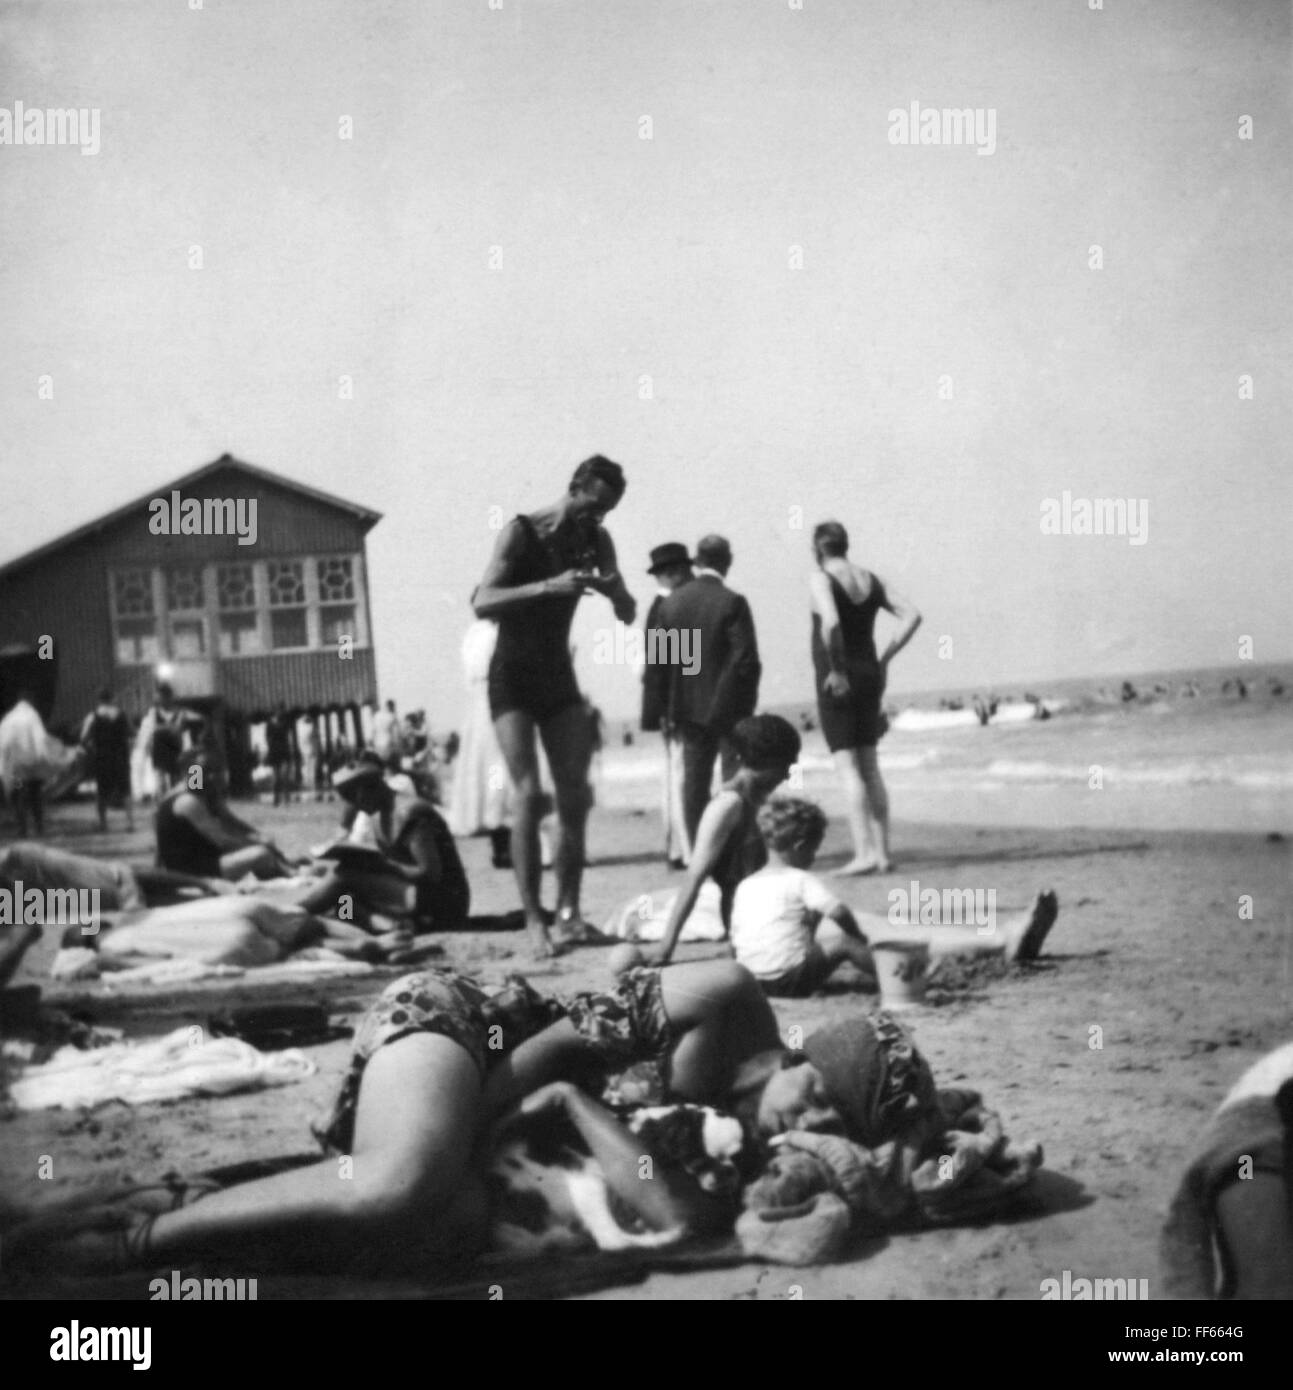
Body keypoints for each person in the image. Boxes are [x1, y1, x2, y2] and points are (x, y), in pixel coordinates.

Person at [8, 955, 952, 1277]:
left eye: (825, 1122)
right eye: (816, 1091)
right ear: (803, 1052)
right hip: (466, 1030)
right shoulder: (726, 997)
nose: (800, 1117)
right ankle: (134, 1246)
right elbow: (553, 1047)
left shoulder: (750, 1137)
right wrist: (464, 1139)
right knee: (405, 1184)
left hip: (484, 1113)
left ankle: (134, 1203)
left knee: (417, 1226)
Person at [472, 455, 636, 955]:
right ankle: (534, 919)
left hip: (557, 674)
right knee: (528, 795)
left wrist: (615, 594)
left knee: (575, 797)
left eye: (607, 511)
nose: (598, 518)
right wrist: (547, 586)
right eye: (594, 506)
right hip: (513, 674)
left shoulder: (596, 539)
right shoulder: (522, 532)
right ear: (575, 487)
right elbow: (482, 601)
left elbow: (628, 611)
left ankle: (570, 913)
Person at [644, 713, 801, 967]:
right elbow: (694, 878)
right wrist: (665, 947)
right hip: (748, 923)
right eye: (785, 766)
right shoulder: (728, 805)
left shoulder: (764, 799)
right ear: (765, 761)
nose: (787, 775)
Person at [809, 520, 921, 876]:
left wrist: (837, 669)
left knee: (848, 768)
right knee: (870, 766)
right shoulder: (869, 578)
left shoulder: (820, 578)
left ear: (818, 548)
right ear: (846, 544)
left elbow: (829, 622)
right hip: (870, 672)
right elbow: (912, 615)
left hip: (838, 678)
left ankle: (864, 854)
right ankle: (883, 854)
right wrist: (885, 657)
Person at [647, 533, 761, 846]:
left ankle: (702, 848)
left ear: (697, 561)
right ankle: (734, 844)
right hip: (730, 709)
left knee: (694, 783)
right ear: (728, 561)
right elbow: (745, 660)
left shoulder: (671, 604)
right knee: (733, 778)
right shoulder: (732, 601)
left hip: (687, 709)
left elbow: (663, 665)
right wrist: (742, 704)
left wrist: (668, 709)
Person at [304, 754, 470, 933]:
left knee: (344, 877)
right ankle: (373, 925)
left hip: (444, 903)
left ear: (367, 787)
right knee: (344, 899)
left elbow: (430, 873)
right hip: (417, 896)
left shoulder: (411, 811)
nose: (355, 805)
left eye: (354, 797)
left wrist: (384, 865)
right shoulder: (379, 815)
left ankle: (294, 912)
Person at [731, 797, 877, 997]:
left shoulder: (746, 885)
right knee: (845, 942)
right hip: (788, 980)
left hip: (751, 982)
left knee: (810, 913)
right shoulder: (800, 879)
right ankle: (892, 977)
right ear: (800, 846)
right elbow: (839, 912)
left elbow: (735, 938)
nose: (814, 858)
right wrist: (858, 936)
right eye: (814, 850)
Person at [154, 751, 297, 881]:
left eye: (214, 770)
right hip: (191, 868)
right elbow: (222, 841)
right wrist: (256, 843)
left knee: (262, 848)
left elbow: (231, 821)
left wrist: (258, 835)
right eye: (203, 771)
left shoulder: (204, 792)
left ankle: (284, 867)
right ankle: (289, 874)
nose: (211, 776)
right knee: (260, 854)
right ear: (188, 772)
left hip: (209, 858)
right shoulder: (186, 801)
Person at [640, 541, 694, 868]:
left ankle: (678, 849)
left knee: (677, 777)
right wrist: (668, 710)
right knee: (679, 778)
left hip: (672, 705)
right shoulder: (666, 608)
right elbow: (664, 667)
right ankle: (682, 850)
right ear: (672, 574)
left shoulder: (666, 606)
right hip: (675, 706)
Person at [0, 693, 66, 837]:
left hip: (16, 768)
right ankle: (39, 827)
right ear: (30, 703)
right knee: (35, 796)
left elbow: (3, 744)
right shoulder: (32, 716)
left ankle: (22, 829)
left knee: (18, 796)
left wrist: (4, 767)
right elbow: (40, 739)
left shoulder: (8, 719)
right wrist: (46, 760)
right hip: (33, 767)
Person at [78, 690, 135, 832]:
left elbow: (84, 738)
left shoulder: (93, 716)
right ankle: (130, 822)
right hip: (121, 757)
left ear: (99, 700)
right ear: (112, 698)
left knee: (102, 791)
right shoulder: (122, 714)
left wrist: (92, 746)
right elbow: (132, 732)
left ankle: (103, 823)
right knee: (125, 790)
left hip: (102, 758)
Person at [145, 683, 190, 795]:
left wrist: (162, 728)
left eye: (160, 697)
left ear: (168, 697)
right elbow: (153, 728)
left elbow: (177, 729)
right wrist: (170, 727)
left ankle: (175, 805)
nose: (158, 700)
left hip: (174, 748)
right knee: (160, 782)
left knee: (176, 780)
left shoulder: (180, 712)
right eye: (157, 697)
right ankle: (162, 806)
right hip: (159, 749)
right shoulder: (153, 712)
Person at [264, 702, 295, 807]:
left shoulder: (285, 722)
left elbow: (288, 735)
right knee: (277, 777)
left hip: (282, 750)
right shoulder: (271, 723)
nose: (281, 712)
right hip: (276, 751)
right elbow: (267, 737)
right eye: (280, 710)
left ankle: (285, 799)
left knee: (285, 776)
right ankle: (277, 799)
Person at [371, 699, 400, 771]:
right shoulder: (392, 716)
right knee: (387, 763)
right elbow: (396, 733)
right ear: (392, 706)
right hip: (387, 741)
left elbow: (373, 730)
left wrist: (372, 742)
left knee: (379, 762)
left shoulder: (376, 715)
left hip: (377, 742)